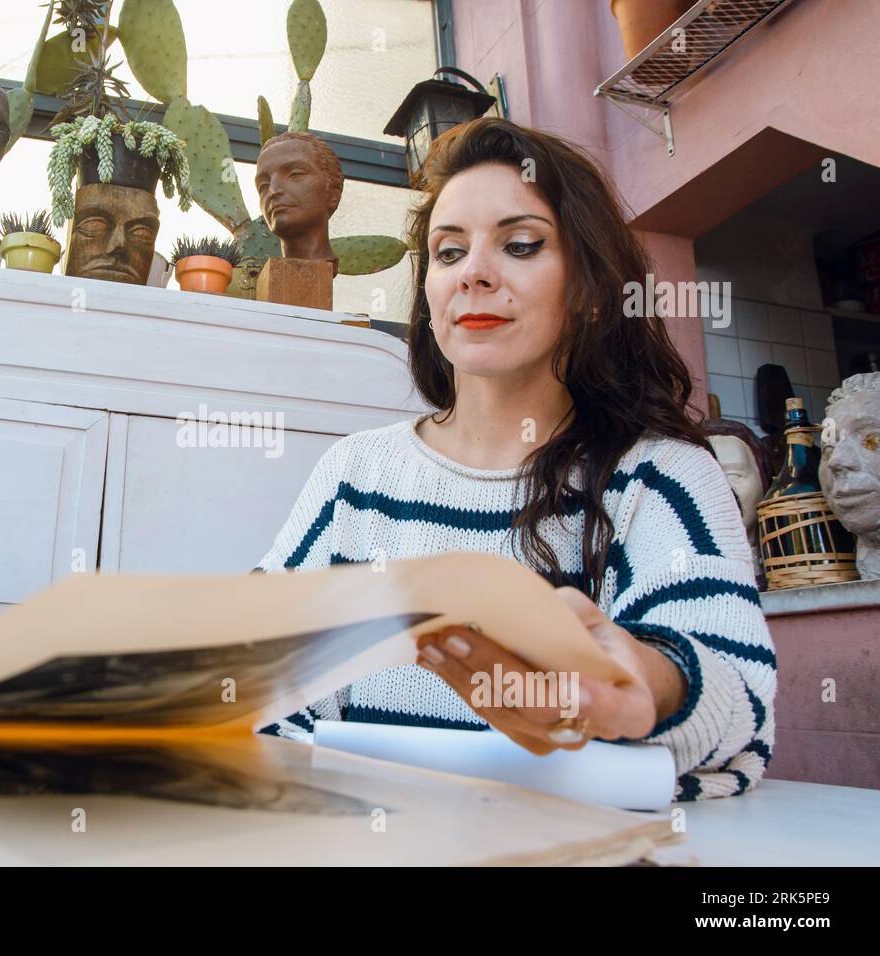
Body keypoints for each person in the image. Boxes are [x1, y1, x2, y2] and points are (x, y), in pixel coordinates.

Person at [254, 117, 775, 802]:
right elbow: (266, 694)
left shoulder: (662, 476)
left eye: (520, 244)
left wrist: (643, 683)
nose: (473, 273)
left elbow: (736, 697)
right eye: (447, 254)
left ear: (588, 287)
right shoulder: (355, 478)